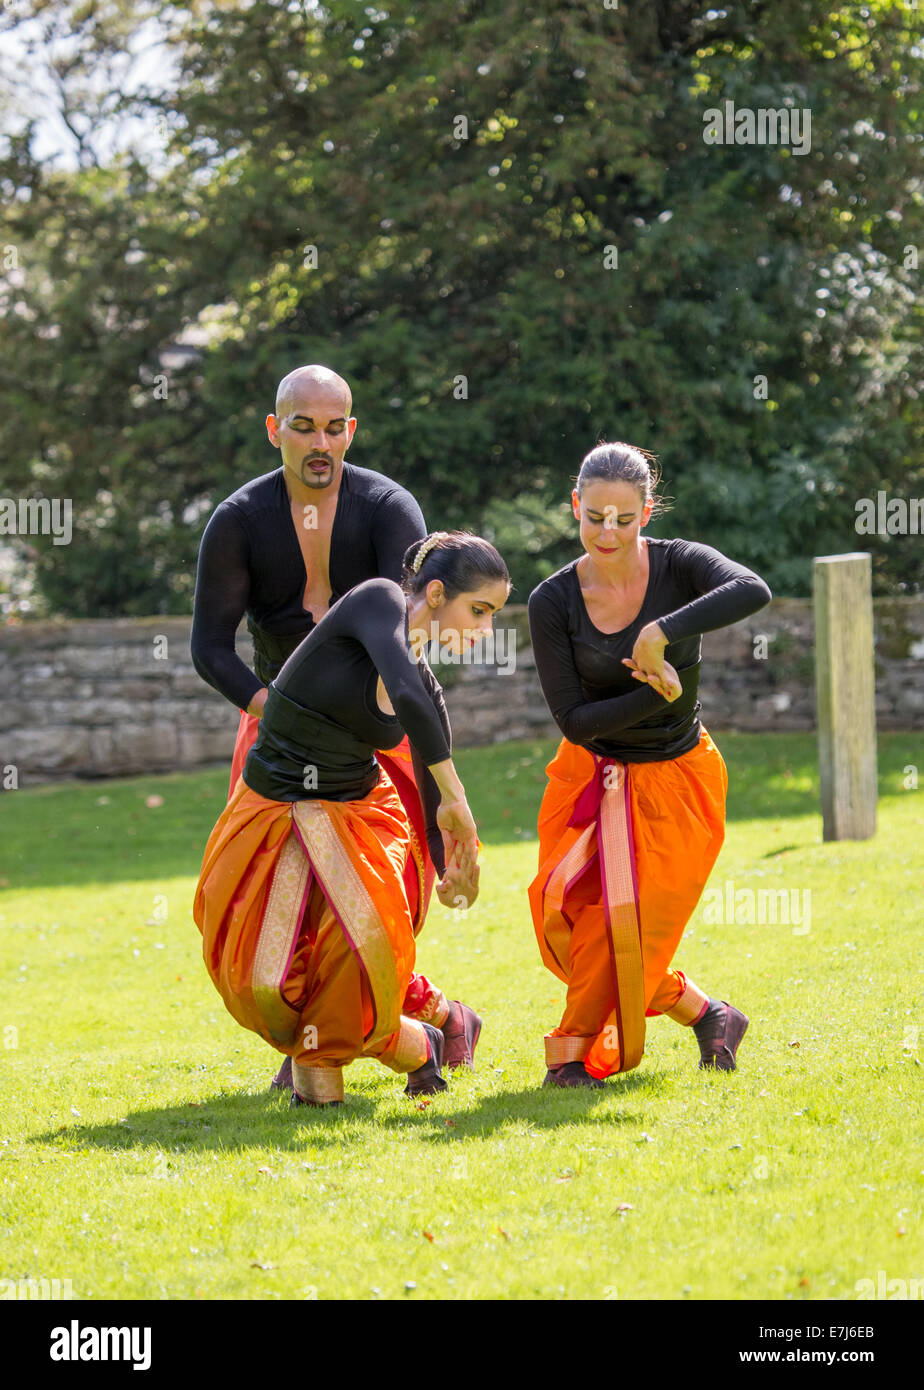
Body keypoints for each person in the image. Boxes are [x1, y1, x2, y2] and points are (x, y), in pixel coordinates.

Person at [190, 364, 479, 1082]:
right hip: (278, 729)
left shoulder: (388, 508)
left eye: (333, 427)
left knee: (386, 892)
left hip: (378, 724)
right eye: (302, 425)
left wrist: (448, 795)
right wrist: (270, 707)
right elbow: (208, 647)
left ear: (350, 430)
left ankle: (349, 1030)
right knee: (266, 898)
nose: (319, 441)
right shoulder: (238, 520)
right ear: (274, 429)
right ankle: (410, 1022)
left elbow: (410, 641)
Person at [193, 533, 511, 1106]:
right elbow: (409, 697)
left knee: (359, 962)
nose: (486, 631)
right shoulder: (376, 600)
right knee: (259, 981)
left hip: (360, 817)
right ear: (435, 594)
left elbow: (427, 777)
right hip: (271, 811)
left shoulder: (425, 684)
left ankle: (328, 1082)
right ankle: (414, 1045)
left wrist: (448, 868)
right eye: (480, 611)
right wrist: (458, 795)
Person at [527, 442, 772, 1088]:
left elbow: (752, 588)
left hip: (677, 779)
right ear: (574, 506)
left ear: (648, 512)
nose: (608, 532)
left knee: (628, 927)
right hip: (589, 776)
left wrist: (660, 631)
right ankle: (710, 1014)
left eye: (624, 518)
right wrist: (654, 692)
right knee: (582, 924)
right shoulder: (551, 602)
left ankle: (573, 1057)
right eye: (594, 516)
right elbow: (574, 721)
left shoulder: (681, 566)